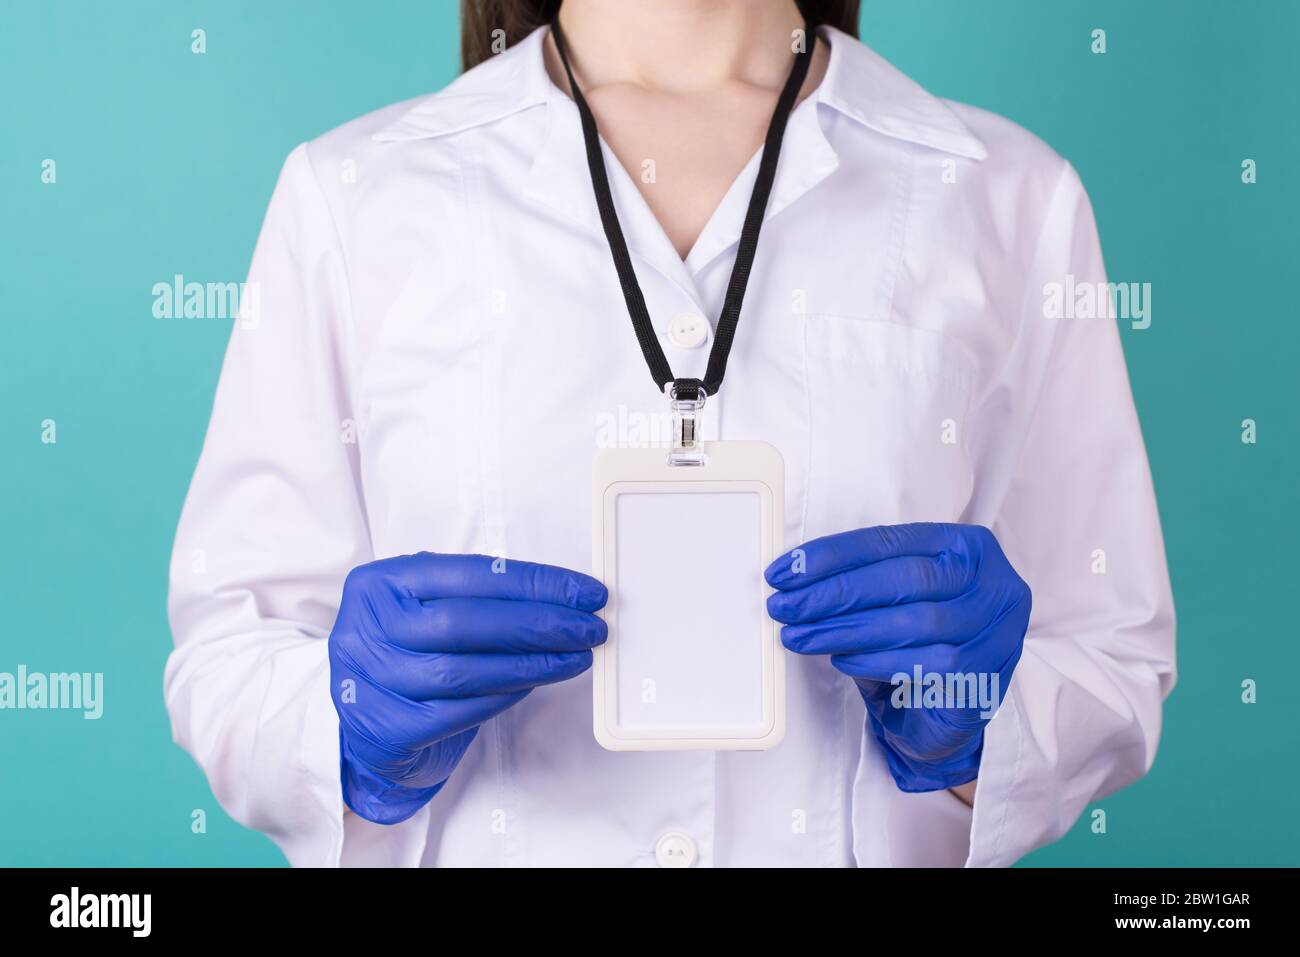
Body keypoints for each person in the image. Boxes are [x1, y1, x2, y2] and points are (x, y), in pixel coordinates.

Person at [165, 0, 1176, 867]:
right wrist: (344, 726)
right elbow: (227, 652)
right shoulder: (355, 195)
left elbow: (1112, 656)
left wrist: (984, 724)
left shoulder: (1005, 195)